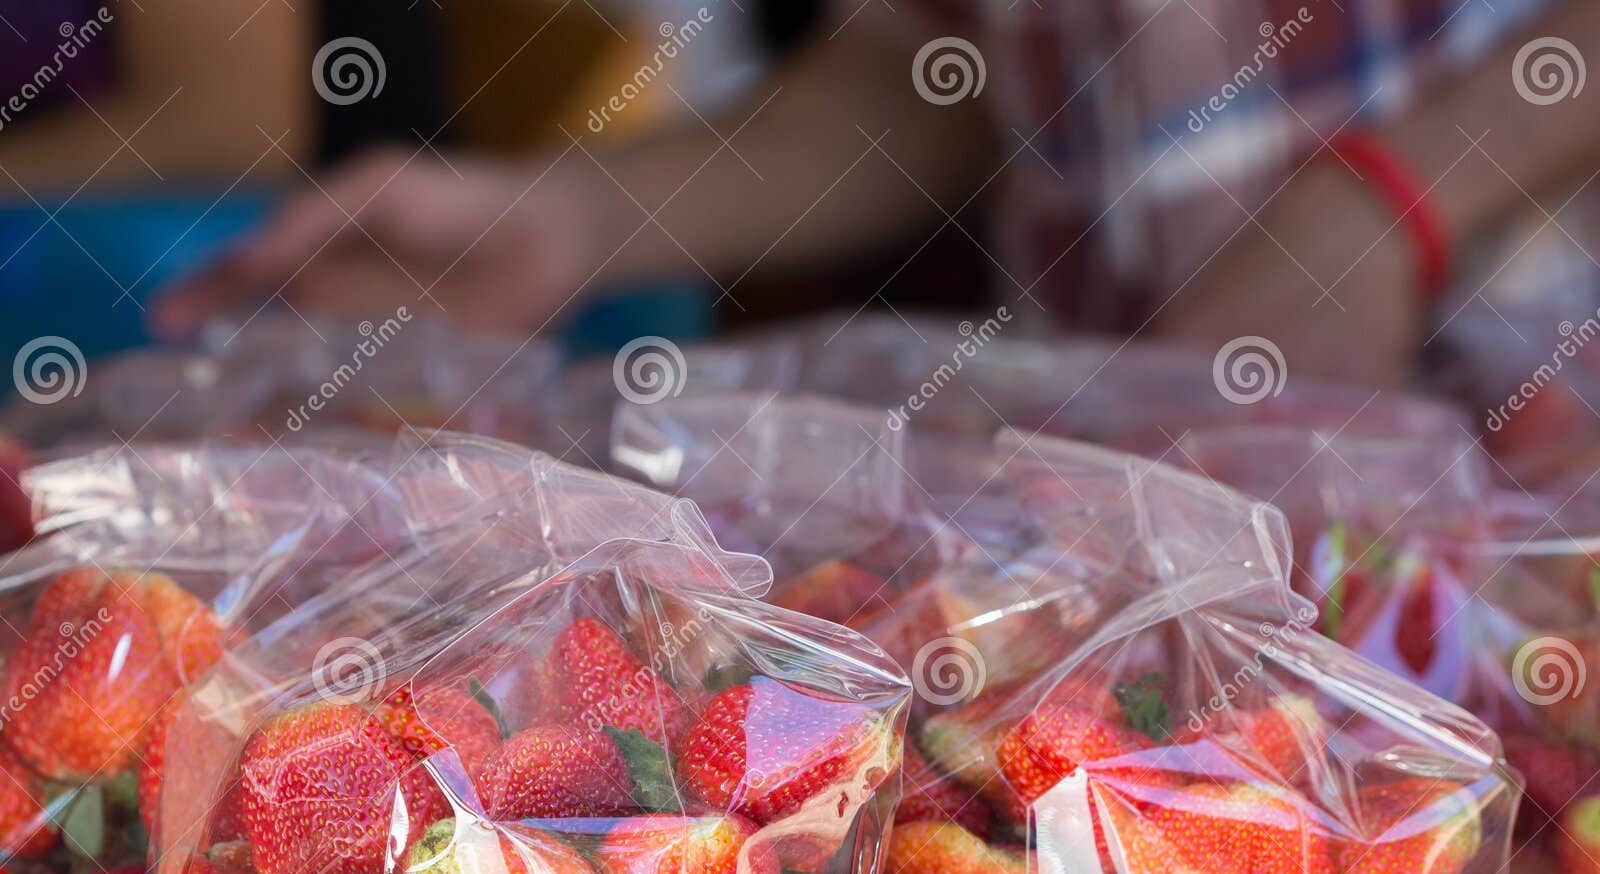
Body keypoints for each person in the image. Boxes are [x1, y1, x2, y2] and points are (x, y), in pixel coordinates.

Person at [155, 0, 1600, 386]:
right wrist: (583, 217)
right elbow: (943, 71)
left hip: (1543, 492)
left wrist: (1387, 202)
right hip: (1167, 515)